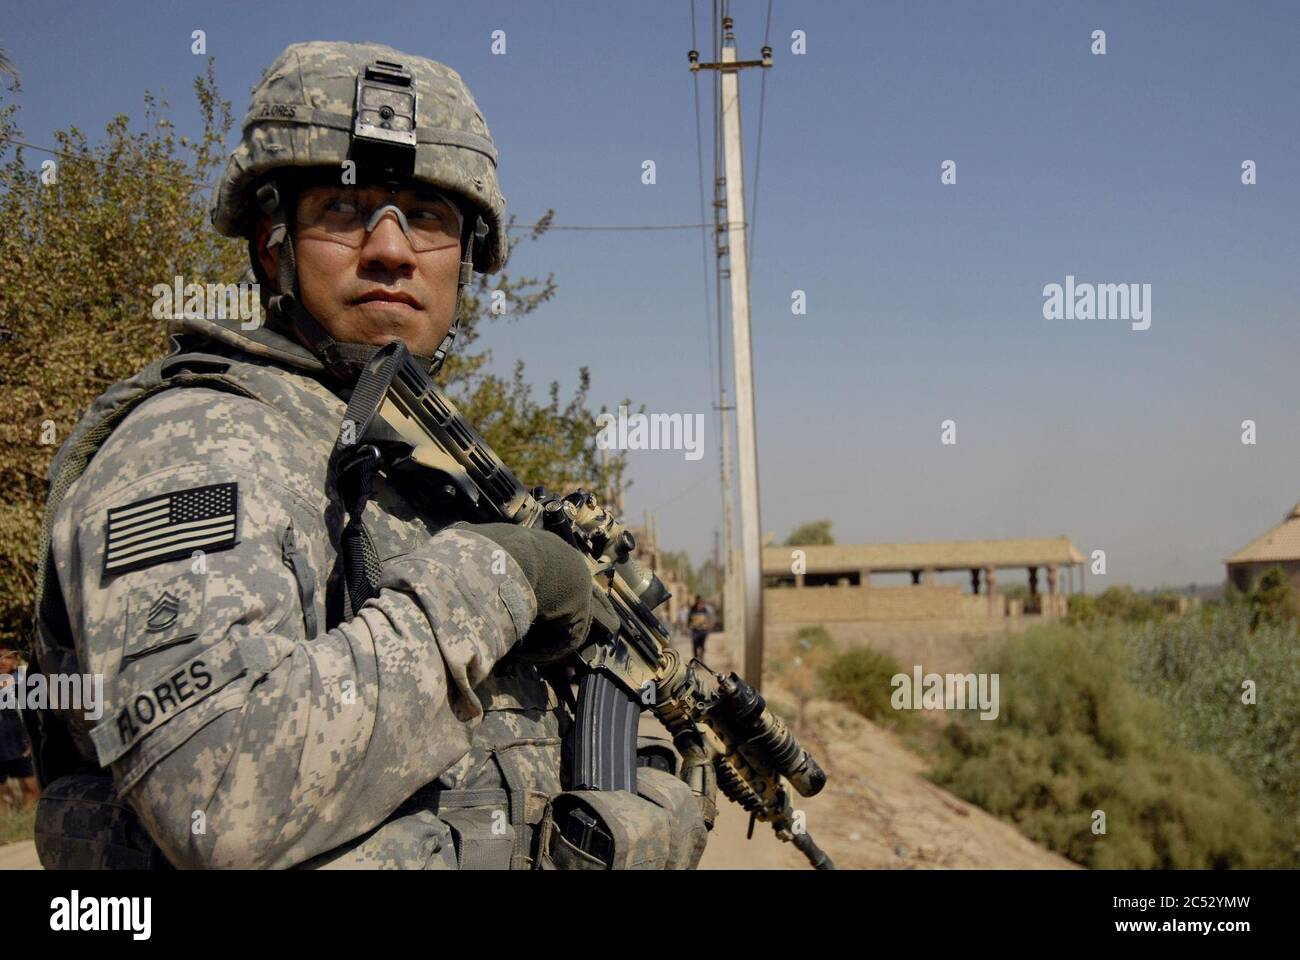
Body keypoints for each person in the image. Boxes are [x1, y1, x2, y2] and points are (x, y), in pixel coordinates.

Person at [25, 41, 708, 870]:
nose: (391, 249)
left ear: (464, 258)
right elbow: (218, 801)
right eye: (344, 211)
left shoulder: (409, 467)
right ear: (273, 242)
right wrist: (503, 577)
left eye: (426, 216)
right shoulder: (200, 441)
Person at [0, 648, 38, 809]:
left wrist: (31, 740)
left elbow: (33, 715)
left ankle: (25, 815)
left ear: (15, 660)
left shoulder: (23, 683)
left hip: (20, 742)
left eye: (7, 658)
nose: (2, 662)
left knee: (32, 786)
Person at [686, 595, 715, 662]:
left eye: (700, 601)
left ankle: (701, 658)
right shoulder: (692, 609)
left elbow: (707, 618)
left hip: (703, 631)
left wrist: (708, 626)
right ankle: (696, 659)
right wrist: (689, 626)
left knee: (702, 646)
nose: (698, 602)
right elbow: (689, 619)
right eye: (697, 601)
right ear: (696, 601)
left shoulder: (704, 609)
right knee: (695, 646)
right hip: (695, 631)